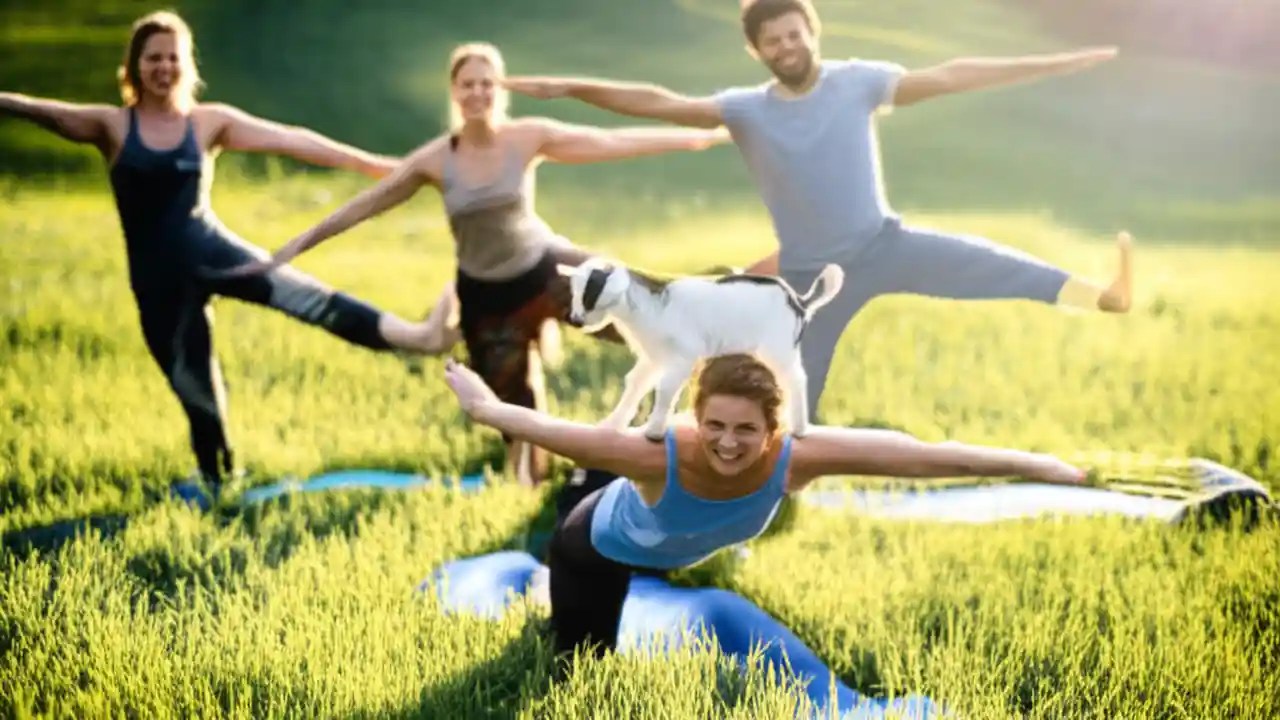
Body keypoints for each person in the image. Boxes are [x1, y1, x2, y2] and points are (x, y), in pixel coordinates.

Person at [499, 0, 1136, 421]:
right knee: (782, 396)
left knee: (993, 267)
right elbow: (659, 102)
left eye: (793, 33)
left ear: (812, 33)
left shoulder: (857, 81)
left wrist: (1055, 63)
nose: (785, 46)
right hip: (804, 277)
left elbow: (950, 75)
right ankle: (755, 493)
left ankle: (1099, 296)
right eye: (771, 40)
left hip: (883, 244)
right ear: (758, 51)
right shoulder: (747, 108)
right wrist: (570, 86)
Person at [225, 42, 731, 486]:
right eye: (468, 84)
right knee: (519, 414)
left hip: (546, 270)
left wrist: (696, 138)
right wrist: (293, 248)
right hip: (489, 299)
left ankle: (714, 403)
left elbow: (609, 143)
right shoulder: (435, 159)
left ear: (500, 90)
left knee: (643, 316)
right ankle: (535, 490)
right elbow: (365, 205)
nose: (477, 93)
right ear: (455, 92)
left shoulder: (526, 136)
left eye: (487, 83)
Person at [0, 10, 455, 503]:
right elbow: (37, 108)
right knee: (193, 384)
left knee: (310, 298)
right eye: (153, 58)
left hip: (220, 255)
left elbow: (291, 139)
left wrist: (375, 167)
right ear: (134, 65)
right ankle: (220, 482)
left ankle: (420, 336)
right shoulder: (111, 126)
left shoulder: (207, 122)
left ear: (186, 64)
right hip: (158, 285)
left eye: (173, 57)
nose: (164, 67)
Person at [441, 351, 1087, 660]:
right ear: (696, 416)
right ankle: (542, 583)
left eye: (746, 430)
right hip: (595, 549)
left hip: (672, 547)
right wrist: (481, 407)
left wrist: (1040, 465)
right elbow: (552, 430)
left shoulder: (799, 457)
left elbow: (927, 455)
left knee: (669, 565)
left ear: (774, 430)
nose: (727, 443)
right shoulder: (654, 451)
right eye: (715, 425)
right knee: (577, 668)